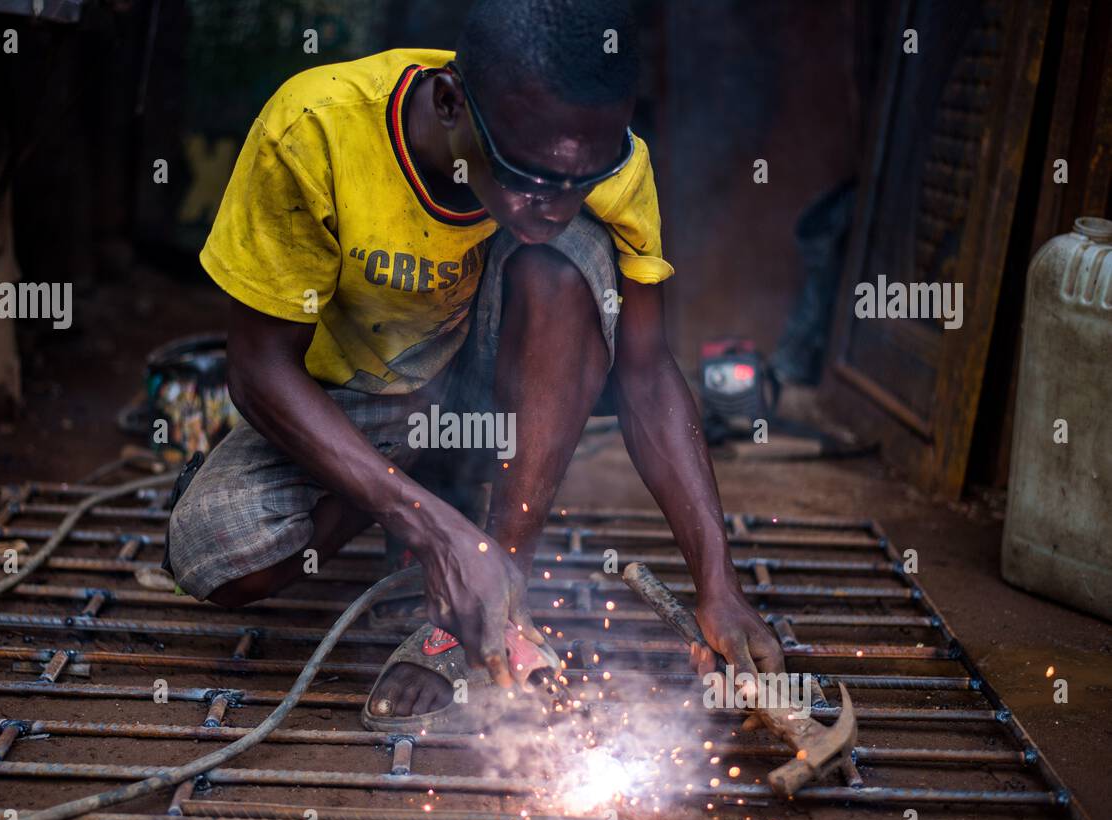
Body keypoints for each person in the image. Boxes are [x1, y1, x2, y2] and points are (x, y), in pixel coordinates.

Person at [167, 0, 784, 728]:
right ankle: (433, 508)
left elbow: (646, 371)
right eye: (528, 176)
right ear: (453, 103)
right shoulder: (316, 132)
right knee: (218, 549)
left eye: (581, 179)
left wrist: (717, 580)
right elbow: (258, 370)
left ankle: (491, 601)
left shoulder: (610, 166)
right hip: (366, 401)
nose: (555, 202)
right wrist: (429, 525)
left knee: (564, 265)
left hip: (495, 388)